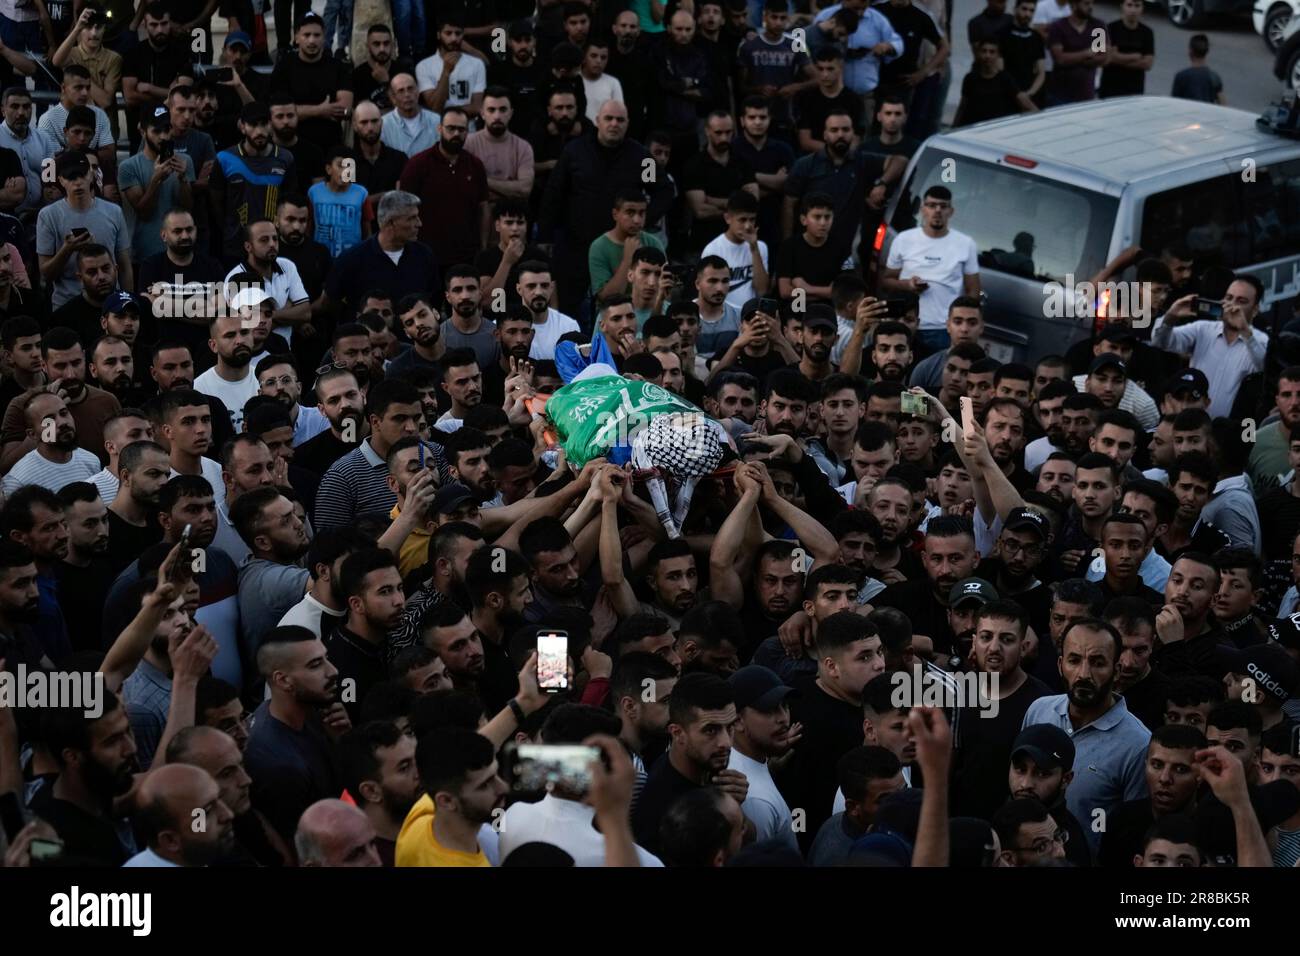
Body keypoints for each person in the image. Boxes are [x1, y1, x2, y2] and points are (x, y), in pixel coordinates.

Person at [1021, 617, 1152, 855]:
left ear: (1117, 670)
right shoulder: (1038, 711)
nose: (1083, 673)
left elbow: (1132, 832)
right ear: (1060, 665)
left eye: (1097, 662)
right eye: (1074, 660)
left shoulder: (1138, 744)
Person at [881, 186, 979, 355]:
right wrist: (908, 285)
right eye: (932, 205)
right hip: (905, 324)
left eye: (943, 206)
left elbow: (973, 289)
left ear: (951, 211)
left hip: (942, 329)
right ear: (922, 209)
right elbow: (886, 280)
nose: (937, 211)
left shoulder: (965, 244)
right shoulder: (904, 239)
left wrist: (959, 323)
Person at [1170, 33, 1224, 104]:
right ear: (1207, 52)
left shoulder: (1181, 76)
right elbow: (1222, 103)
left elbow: (1174, 103)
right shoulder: (1214, 76)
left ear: (1190, 51)